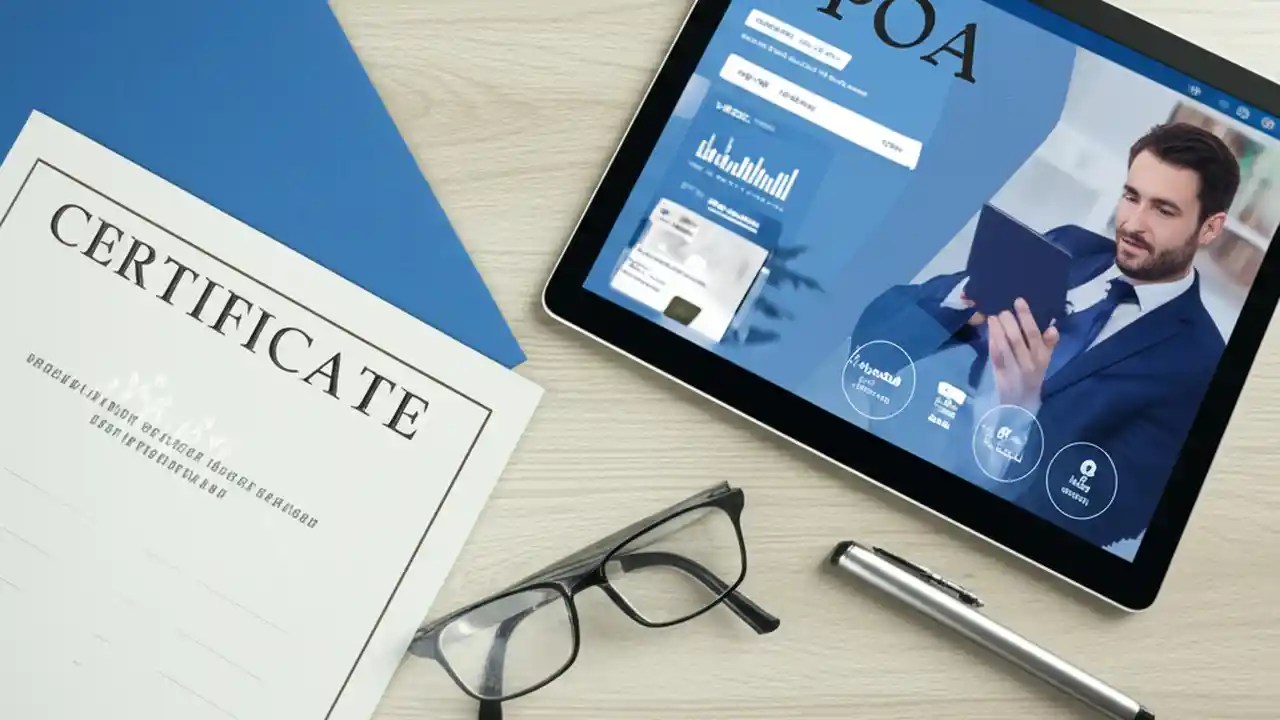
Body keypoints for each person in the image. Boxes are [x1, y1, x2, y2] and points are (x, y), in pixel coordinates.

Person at [849, 122, 1242, 548]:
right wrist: (962, 297)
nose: (1133, 223)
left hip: (968, 537)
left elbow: (1101, 520)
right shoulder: (1067, 246)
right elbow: (872, 333)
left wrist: (1018, 413)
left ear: (1210, 228)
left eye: (1163, 210)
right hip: (872, 457)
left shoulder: (1201, 365)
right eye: (1131, 197)